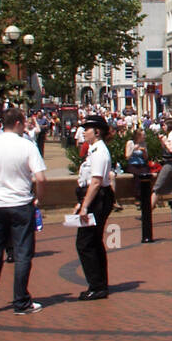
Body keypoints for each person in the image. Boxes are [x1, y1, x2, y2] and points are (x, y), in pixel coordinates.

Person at [0, 107, 47, 315]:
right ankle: (21, 301)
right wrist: (38, 199)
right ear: (18, 123)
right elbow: (40, 178)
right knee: (23, 253)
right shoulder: (27, 145)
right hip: (20, 203)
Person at [73, 115, 115, 300]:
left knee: (86, 242)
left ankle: (96, 286)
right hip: (94, 198)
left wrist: (84, 207)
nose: (84, 132)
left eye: (87, 129)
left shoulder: (99, 152)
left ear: (97, 132)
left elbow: (96, 182)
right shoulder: (94, 150)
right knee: (93, 241)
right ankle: (98, 284)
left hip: (97, 199)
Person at [150, 117, 172, 211]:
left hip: (170, 163)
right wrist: (162, 141)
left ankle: (147, 211)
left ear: (169, 125)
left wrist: (165, 141)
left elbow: (171, 150)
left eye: (164, 125)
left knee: (157, 187)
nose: (163, 127)